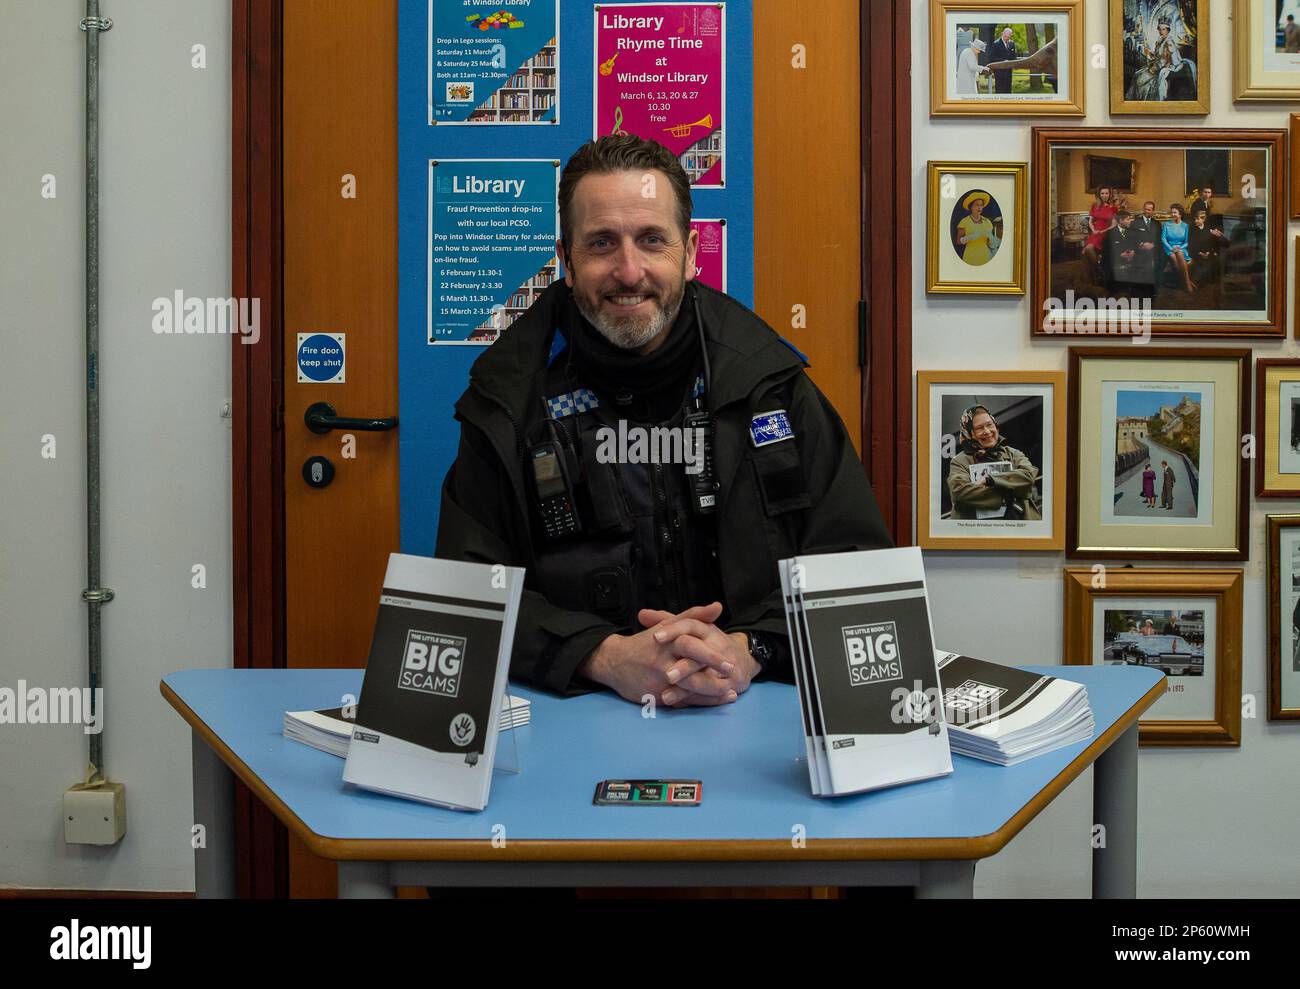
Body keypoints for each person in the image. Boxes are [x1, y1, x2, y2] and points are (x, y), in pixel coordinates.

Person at [436, 134, 892, 707]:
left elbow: (857, 571)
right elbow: (466, 596)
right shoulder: (506, 405)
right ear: (566, 261)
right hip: (572, 715)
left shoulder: (770, 389)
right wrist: (601, 656)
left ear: (691, 251)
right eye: (602, 243)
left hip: (761, 714)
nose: (630, 272)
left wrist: (751, 650)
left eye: (652, 240)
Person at [946, 405, 1041, 520]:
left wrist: (989, 480)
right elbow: (960, 492)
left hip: (1020, 526)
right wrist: (1011, 491)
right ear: (969, 433)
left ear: (996, 426)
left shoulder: (1013, 453)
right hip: (981, 533)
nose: (987, 431)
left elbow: (1028, 476)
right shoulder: (959, 461)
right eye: (979, 428)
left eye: (990, 425)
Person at [1126, 16, 1191, 102]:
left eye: (1163, 29)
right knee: (1137, 74)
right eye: (1159, 29)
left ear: (1168, 30)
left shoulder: (1169, 42)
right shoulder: (1160, 40)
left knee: (1141, 81)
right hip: (1155, 66)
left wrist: (1160, 68)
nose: (1161, 31)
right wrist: (1149, 52)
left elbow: (1173, 60)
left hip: (1162, 68)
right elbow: (1157, 56)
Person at [1082, 186, 1120, 278]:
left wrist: (1103, 231)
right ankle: (1097, 272)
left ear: (1109, 194)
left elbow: (1114, 224)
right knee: (1086, 250)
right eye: (1102, 193)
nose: (1104, 195)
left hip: (1105, 232)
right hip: (1095, 232)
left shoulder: (1113, 208)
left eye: (1106, 193)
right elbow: (1090, 221)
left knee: (1087, 250)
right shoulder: (1095, 206)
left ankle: (1096, 272)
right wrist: (1093, 230)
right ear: (1099, 194)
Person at [1103, 211, 1141, 294]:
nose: (1130, 221)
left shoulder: (1133, 232)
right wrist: (1119, 255)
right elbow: (1106, 251)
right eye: (1128, 219)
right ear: (1120, 220)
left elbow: (1137, 246)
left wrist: (1133, 252)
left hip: (1132, 260)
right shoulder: (1110, 233)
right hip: (1116, 261)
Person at [1188, 207, 1222, 299]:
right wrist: (1200, 253)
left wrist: (1209, 253)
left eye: (1198, 219)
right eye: (1195, 219)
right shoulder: (1192, 230)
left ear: (1203, 219)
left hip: (1207, 253)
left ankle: (1197, 282)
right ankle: (1194, 282)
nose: (1196, 221)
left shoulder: (1208, 230)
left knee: (1212, 260)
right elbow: (1191, 245)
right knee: (1201, 262)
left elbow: (1211, 244)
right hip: (1195, 252)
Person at [1129, 200, 1161, 297]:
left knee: (1152, 259)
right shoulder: (1135, 222)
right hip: (1139, 250)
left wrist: (1153, 245)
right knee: (1142, 260)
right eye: (1146, 209)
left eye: (1150, 210)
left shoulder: (1157, 224)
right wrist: (1141, 244)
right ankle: (1139, 291)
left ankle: (1150, 292)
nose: (1147, 211)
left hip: (1153, 250)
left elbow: (1160, 239)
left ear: (1153, 211)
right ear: (1143, 209)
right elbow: (1131, 238)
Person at [955, 191, 997, 266]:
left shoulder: (987, 222)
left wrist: (990, 237)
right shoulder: (964, 221)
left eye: (981, 205)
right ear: (971, 207)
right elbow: (958, 241)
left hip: (985, 256)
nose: (979, 208)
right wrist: (970, 237)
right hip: (970, 256)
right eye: (977, 205)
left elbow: (992, 245)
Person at [1161, 203, 1194, 294]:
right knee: (1175, 257)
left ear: (1180, 214)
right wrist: (1171, 249)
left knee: (1179, 253)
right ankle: (1188, 283)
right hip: (1169, 248)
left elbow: (1186, 242)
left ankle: (1186, 282)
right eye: (1172, 212)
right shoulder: (1166, 224)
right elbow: (1163, 239)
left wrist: (1179, 248)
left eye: (1175, 212)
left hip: (1181, 248)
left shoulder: (1185, 226)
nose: (1173, 214)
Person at [988, 27, 1017, 94]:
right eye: (1005, 36)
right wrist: (1003, 61)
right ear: (1002, 34)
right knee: (1000, 91)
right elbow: (991, 58)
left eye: (1008, 36)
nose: (1006, 38)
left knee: (1008, 91)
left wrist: (1014, 63)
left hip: (1009, 72)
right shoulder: (996, 44)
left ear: (1011, 35)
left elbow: (1013, 56)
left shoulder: (1012, 43)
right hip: (999, 72)